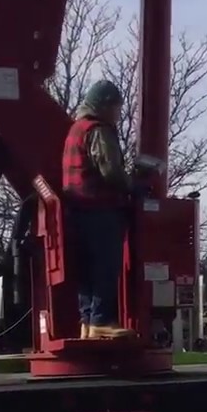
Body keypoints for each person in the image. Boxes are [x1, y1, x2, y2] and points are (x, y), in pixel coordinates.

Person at [61, 80, 135, 340]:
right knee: (106, 266)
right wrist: (133, 185)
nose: (118, 113)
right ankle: (102, 321)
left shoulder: (75, 129)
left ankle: (88, 324)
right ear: (104, 106)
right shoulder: (98, 130)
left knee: (86, 271)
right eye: (116, 107)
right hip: (100, 209)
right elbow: (110, 170)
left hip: (76, 210)